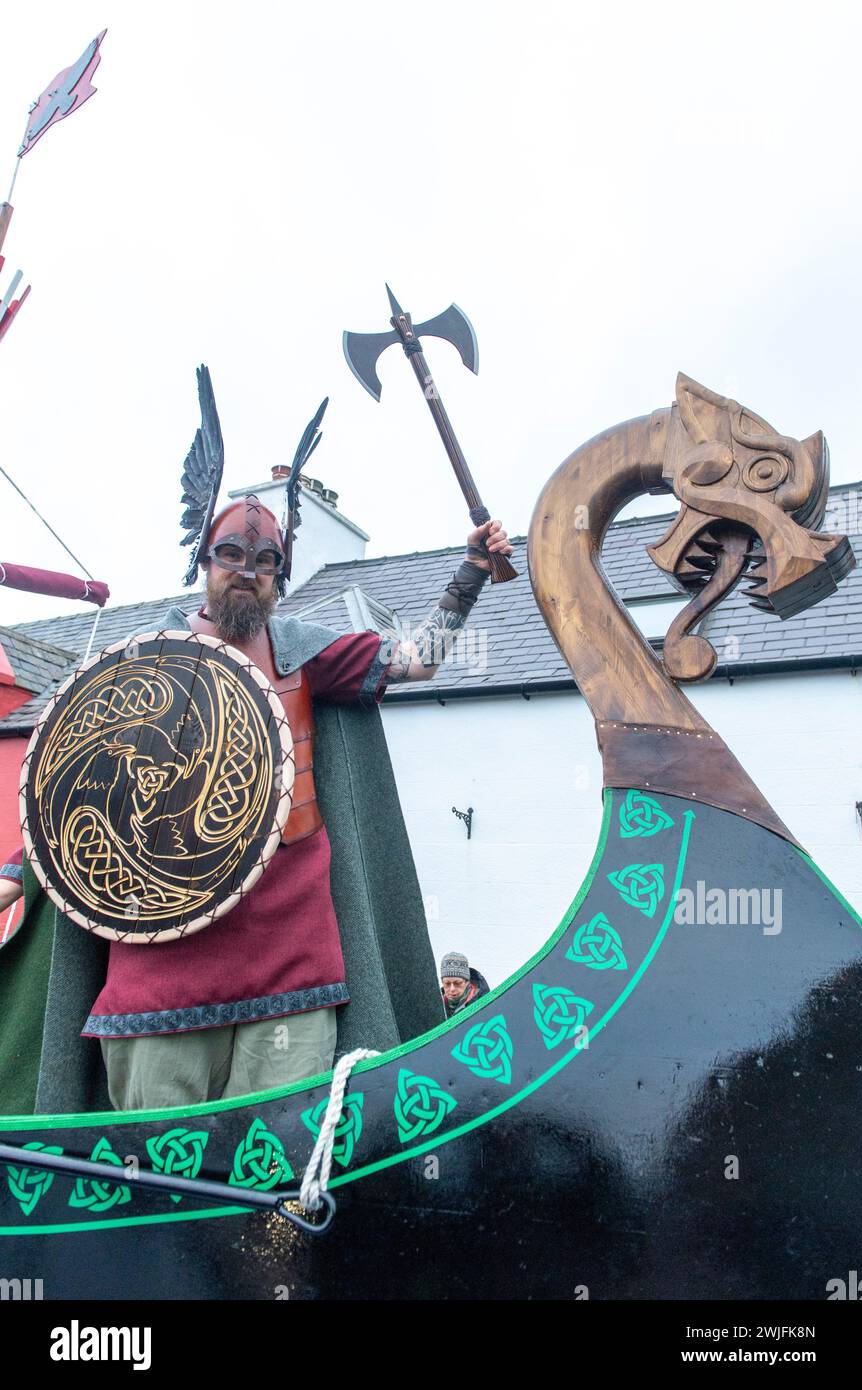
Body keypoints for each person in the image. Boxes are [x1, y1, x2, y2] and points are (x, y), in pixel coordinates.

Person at [2, 392, 513, 1112]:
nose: (247, 570)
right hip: (160, 969)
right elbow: (80, 790)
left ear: (282, 572)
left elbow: (416, 660)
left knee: (276, 1178)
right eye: (231, 555)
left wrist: (467, 576)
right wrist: (19, 872)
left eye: (265, 560)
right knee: (158, 1176)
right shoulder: (144, 669)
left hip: (289, 966)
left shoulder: (307, 653)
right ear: (204, 562)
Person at [440, 951, 490, 1016]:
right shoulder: (435, 1004)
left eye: (457, 983)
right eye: (447, 984)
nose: (452, 989)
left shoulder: (485, 1003)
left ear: (467, 982)